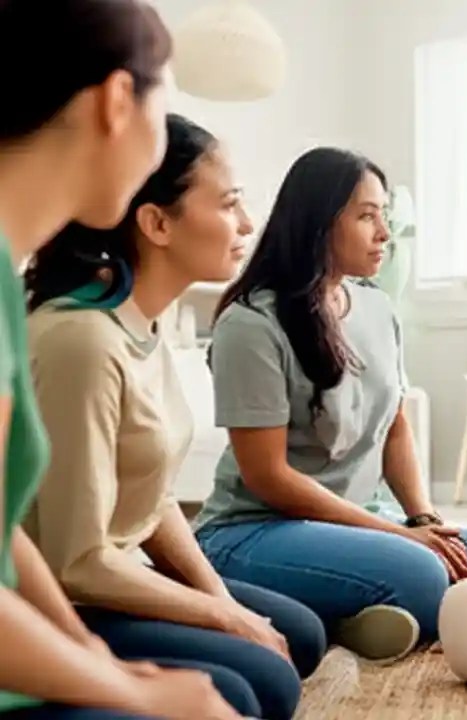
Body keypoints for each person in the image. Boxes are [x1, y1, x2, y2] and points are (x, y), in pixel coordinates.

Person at [22, 113, 327, 720]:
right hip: (58, 599)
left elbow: (149, 489)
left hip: (110, 573)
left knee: (301, 635)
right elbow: (75, 561)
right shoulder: (81, 342)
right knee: (256, 683)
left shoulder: (141, 320)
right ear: (157, 222)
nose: (246, 225)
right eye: (230, 204)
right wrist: (220, 615)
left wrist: (219, 601)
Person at [193, 147, 467, 663]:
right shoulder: (250, 324)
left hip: (358, 519)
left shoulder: (376, 306)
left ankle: (350, 610)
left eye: (385, 216)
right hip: (253, 530)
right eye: (367, 216)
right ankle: (333, 616)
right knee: (421, 575)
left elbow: (395, 427)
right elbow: (268, 478)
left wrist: (422, 521)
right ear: (318, 222)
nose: (384, 234)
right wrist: (398, 537)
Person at [0, 1, 240, 718]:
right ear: (114, 102)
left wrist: (93, 656)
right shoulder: (65, 325)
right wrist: (131, 690)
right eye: (163, 108)